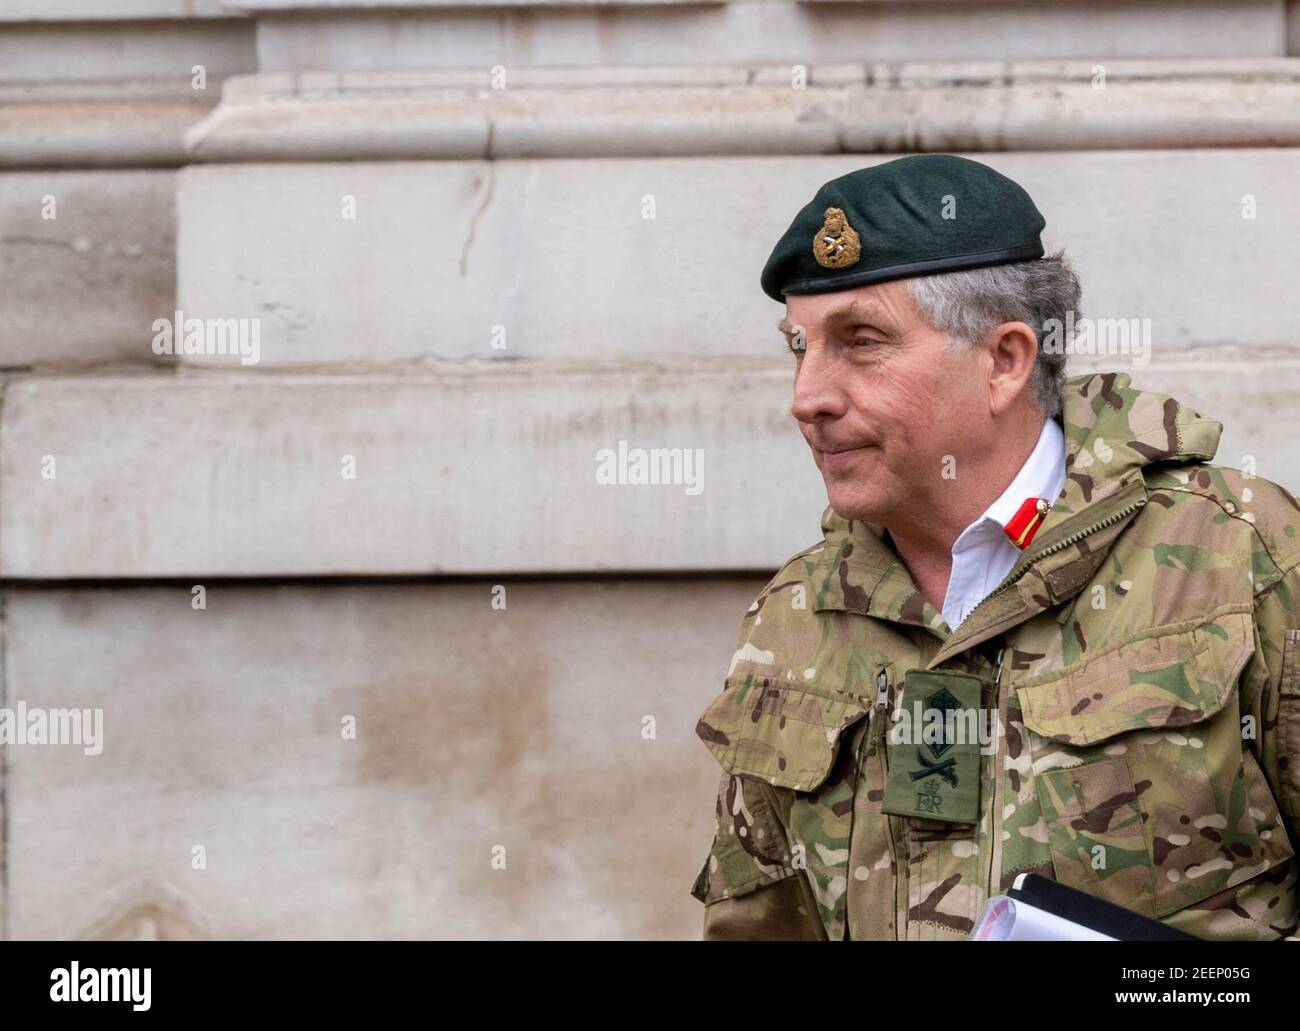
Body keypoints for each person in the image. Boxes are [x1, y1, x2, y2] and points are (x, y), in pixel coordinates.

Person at [689, 155, 1300, 940]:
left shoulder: (1243, 559)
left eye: (860, 341)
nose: (807, 396)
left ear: (1005, 360)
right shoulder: (795, 617)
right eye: (798, 346)